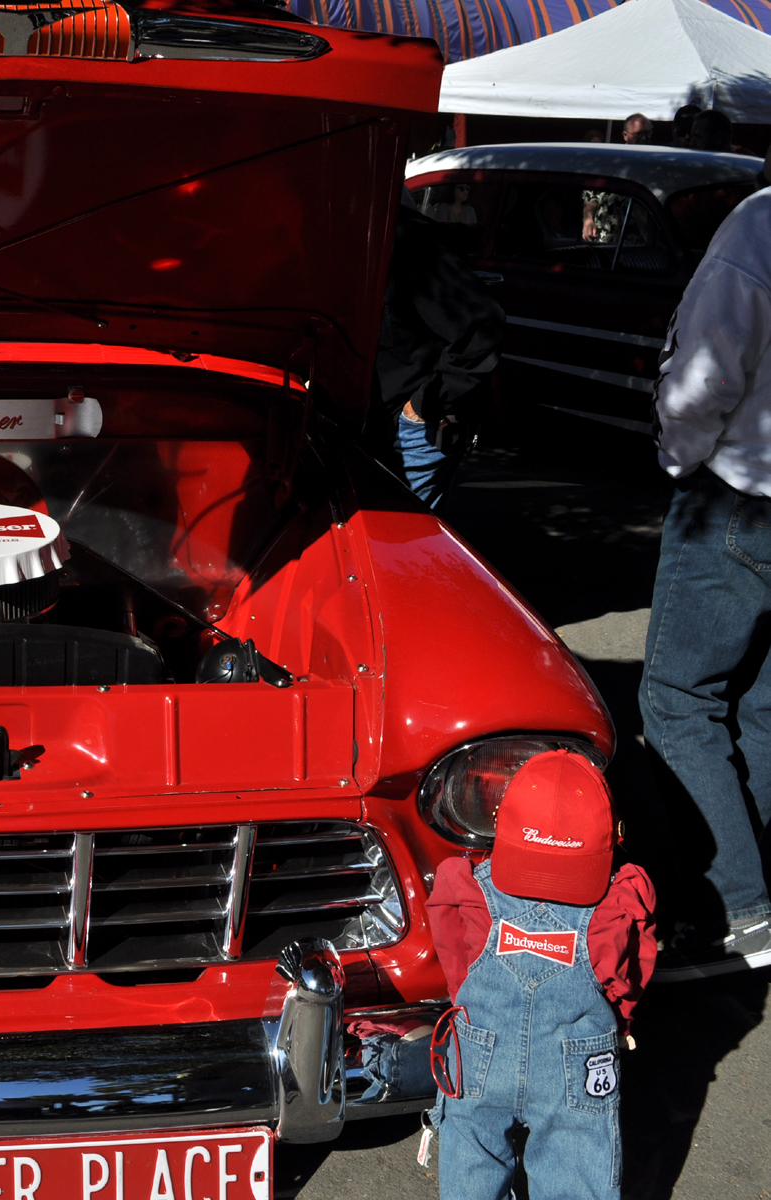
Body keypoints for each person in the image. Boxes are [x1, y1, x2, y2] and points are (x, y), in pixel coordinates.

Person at [639, 178, 771, 980]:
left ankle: (741, 905)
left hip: (742, 498)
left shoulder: (761, 223)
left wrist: (679, 462)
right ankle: (746, 897)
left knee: (678, 701)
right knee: (758, 705)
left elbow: (705, 375)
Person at [426, 750, 656, 1200]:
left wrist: (464, 997)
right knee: (576, 1162)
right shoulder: (612, 905)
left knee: (472, 1158)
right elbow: (631, 972)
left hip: (481, 1049)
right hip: (575, 1057)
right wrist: (622, 1018)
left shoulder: (471, 890)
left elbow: (452, 945)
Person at [368, 194, 503, 506]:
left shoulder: (411, 241)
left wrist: (421, 406)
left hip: (413, 427)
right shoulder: (338, 237)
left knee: (400, 537)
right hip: (363, 423)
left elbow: (483, 330)